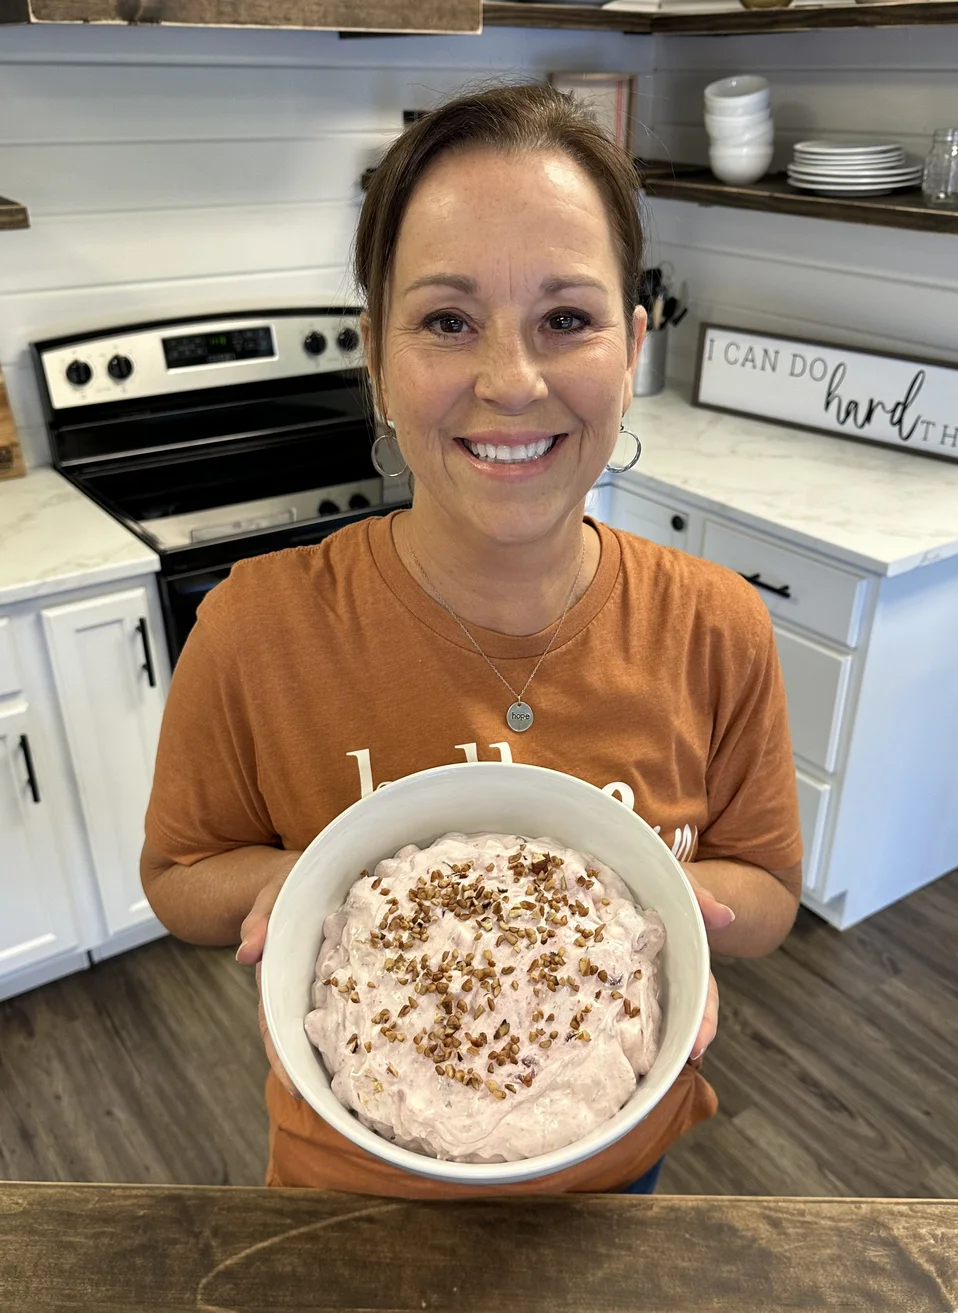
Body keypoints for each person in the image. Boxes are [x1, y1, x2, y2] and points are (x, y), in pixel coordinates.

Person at [141, 81, 802, 1197]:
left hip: (618, 1168)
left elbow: (769, 890)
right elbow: (178, 872)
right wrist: (319, 891)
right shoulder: (256, 626)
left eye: (567, 318)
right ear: (375, 354)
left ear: (631, 346)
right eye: (447, 320)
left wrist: (672, 917)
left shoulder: (715, 625)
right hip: (351, 1177)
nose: (510, 379)